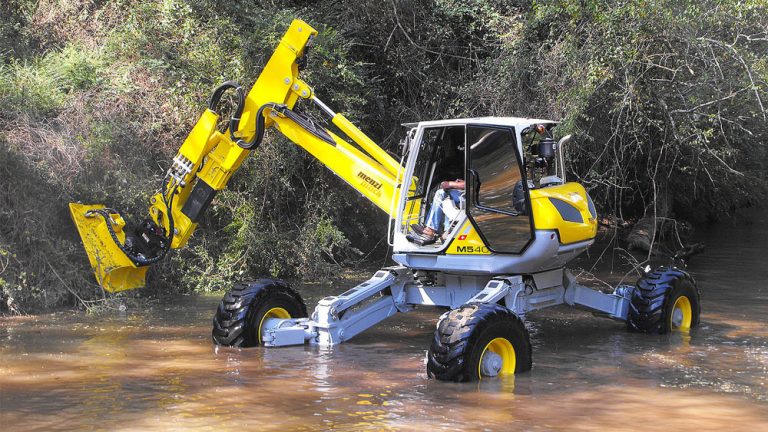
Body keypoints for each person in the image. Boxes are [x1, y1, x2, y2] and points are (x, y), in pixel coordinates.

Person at [407, 179, 465, 245]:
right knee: (447, 200)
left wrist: (451, 184)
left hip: (471, 197)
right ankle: (446, 232)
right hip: (469, 195)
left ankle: (430, 230)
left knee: (440, 193)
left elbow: (470, 184)